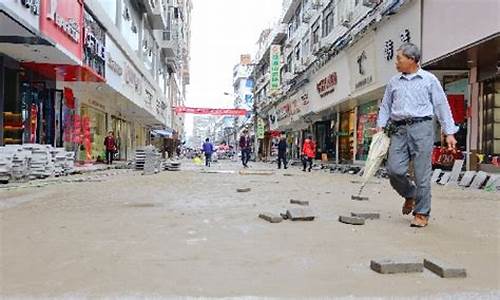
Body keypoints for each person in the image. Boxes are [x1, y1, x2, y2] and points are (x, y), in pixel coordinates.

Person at [376, 43, 458, 228]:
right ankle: (409, 193)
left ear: (412, 60)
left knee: (422, 173)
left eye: (399, 59)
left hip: (422, 128)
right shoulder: (394, 82)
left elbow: (441, 106)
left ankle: (422, 213)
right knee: (394, 170)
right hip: (398, 129)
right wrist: (381, 127)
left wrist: (449, 132)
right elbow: (386, 106)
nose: (396, 62)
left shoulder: (429, 80)